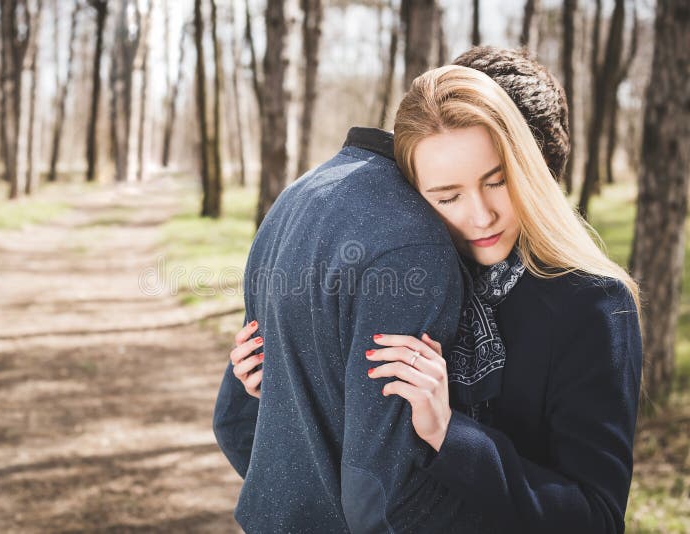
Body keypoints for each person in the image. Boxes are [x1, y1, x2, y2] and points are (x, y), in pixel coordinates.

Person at [224, 49, 643, 533]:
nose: (480, 216)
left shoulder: (594, 304)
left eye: (497, 182)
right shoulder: (411, 280)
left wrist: (451, 434)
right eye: (448, 197)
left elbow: (597, 517)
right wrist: (279, 388)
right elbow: (345, 472)